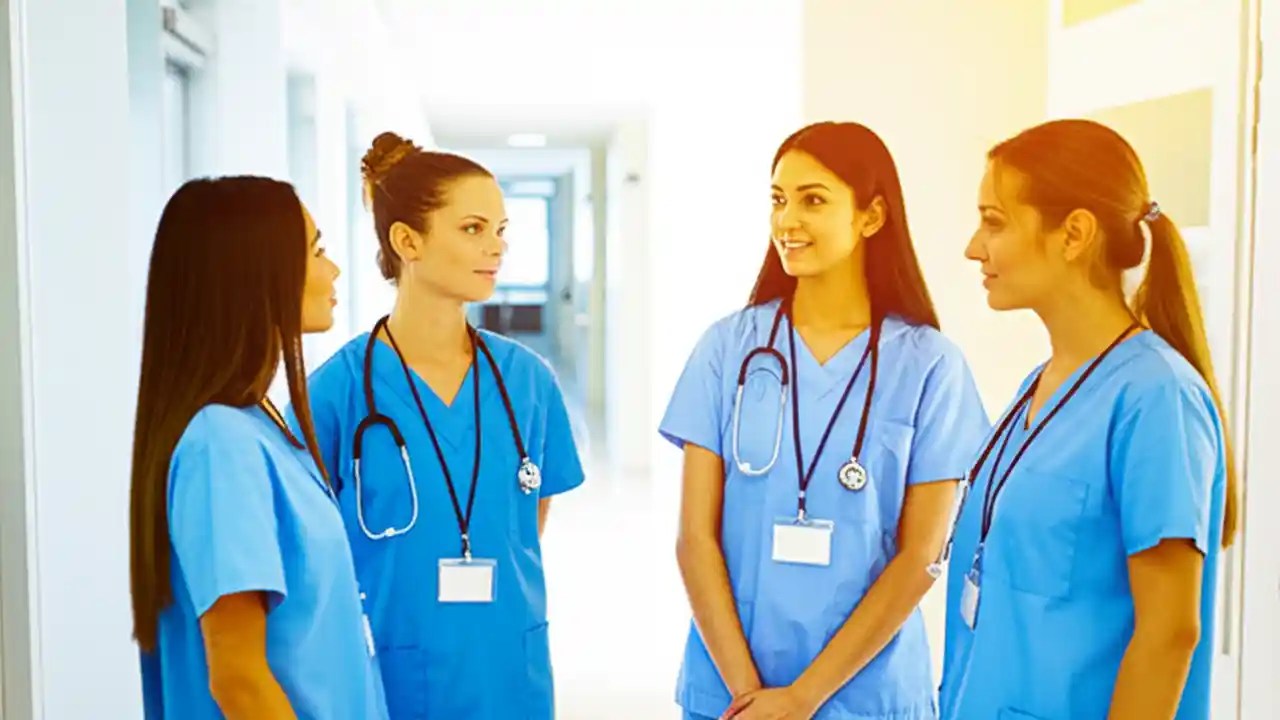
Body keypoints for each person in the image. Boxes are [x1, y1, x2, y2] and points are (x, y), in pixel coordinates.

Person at [660, 121, 991, 720]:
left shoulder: (929, 365)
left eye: (813, 200)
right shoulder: (729, 348)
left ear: (871, 216)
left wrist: (803, 699)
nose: (788, 220)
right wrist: (749, 698)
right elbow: (695, 539)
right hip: (734, 689)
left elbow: (921, 556)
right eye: (778, 199)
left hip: (869, 693)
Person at [938, 119, 1238, 720]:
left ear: (1074, 233)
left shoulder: (1156, 397)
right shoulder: (1039, 387)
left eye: (994, 222)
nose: (974, 247)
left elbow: (1170, 632)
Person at [293, 132, 585, 720]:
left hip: (510, 667)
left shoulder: (526, 381)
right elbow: (313, 550)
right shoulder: (339, 391)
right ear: (407, 241)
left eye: (501, 231)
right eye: (473, 229)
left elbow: (527, 520)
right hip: (390, 670)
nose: (495, 249)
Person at [129, 177, 386, 719]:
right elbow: (239, 680)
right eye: (316, 250)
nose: (332, 270)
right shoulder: (221, 445)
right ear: (252, 273)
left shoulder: (263, 427)